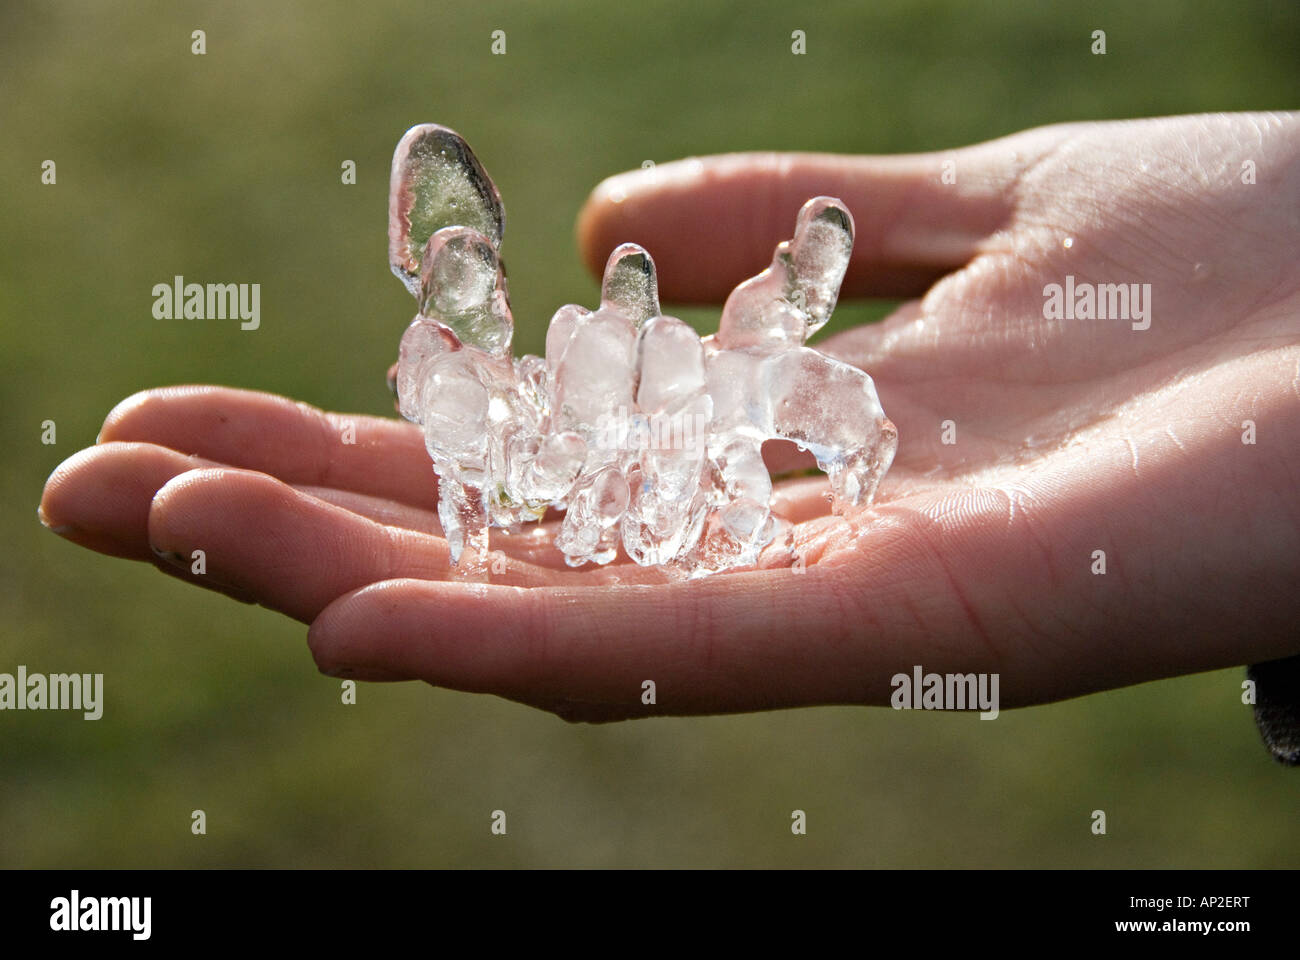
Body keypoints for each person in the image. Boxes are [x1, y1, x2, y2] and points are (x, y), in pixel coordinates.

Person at [38, 113, 1300, 742]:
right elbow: (494, 455)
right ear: (431, 279)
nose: (470, 295)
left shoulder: (737, 378)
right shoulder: (466, 371)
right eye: (455, 278)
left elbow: (781, 397)